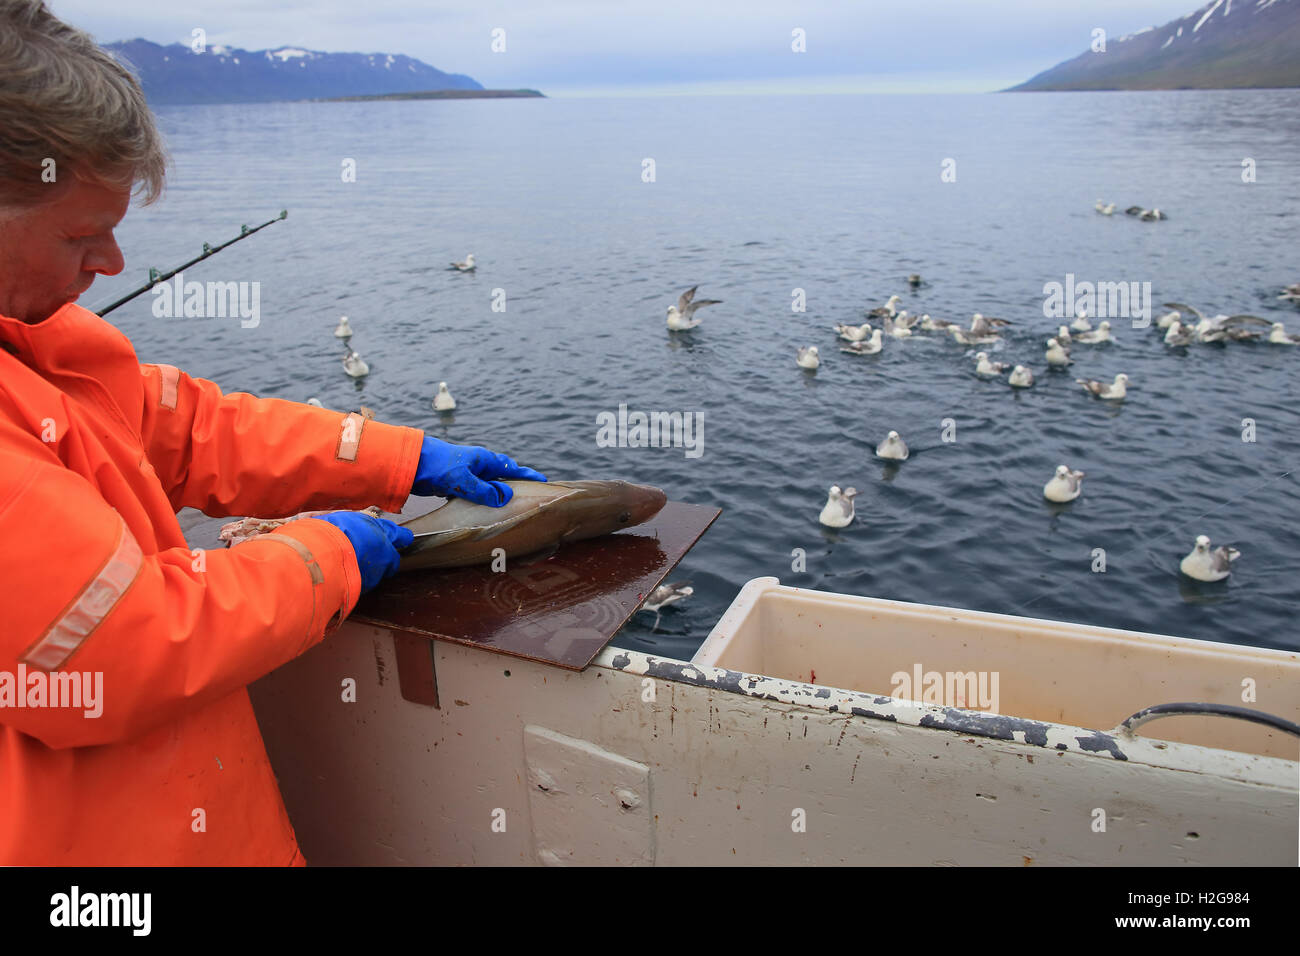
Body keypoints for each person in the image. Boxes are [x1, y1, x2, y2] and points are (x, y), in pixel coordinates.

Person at [0, 0, 545, 865]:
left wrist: (399, 458)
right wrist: (325, 556)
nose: (110, 265)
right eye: (81, 234)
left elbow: (195, 432)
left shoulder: (35, 346)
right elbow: (118, 652)